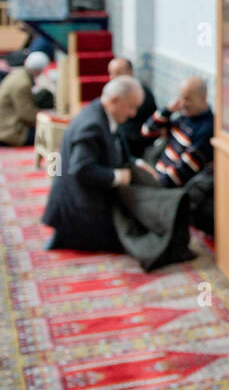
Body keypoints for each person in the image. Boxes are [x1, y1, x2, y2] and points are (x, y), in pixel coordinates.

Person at [41, 75, 144, 253]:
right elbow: (82, 170)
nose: (133, 114)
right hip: (79, 210)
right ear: (114, 100)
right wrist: (119, 176)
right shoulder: (92, 125)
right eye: (131, 107)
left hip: (77, 200)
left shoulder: (98, 111)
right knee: (136, 236)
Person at [139, 76, 214, 188]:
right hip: (156, 171)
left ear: (203, 98)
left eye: (188, 99)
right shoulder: (182, 117)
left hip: (166, 186)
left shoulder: (206, 130)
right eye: (181, 97)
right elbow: (146, 132)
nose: (182, 103)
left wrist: (154, 179)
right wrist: (167, 111)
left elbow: (178, 176)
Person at [0, 51, 49, 147]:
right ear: (38, 70)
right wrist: (47, 120)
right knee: (48, 135)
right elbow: (26, 114)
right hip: (6, 131)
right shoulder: (22, 83)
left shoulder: (18, 74)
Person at [107, 57, 157, 159]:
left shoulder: (139, 94)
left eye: (117, 73)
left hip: (136, 144)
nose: (113, 78)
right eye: (111, 74)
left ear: (130, 72)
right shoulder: (118, 91)